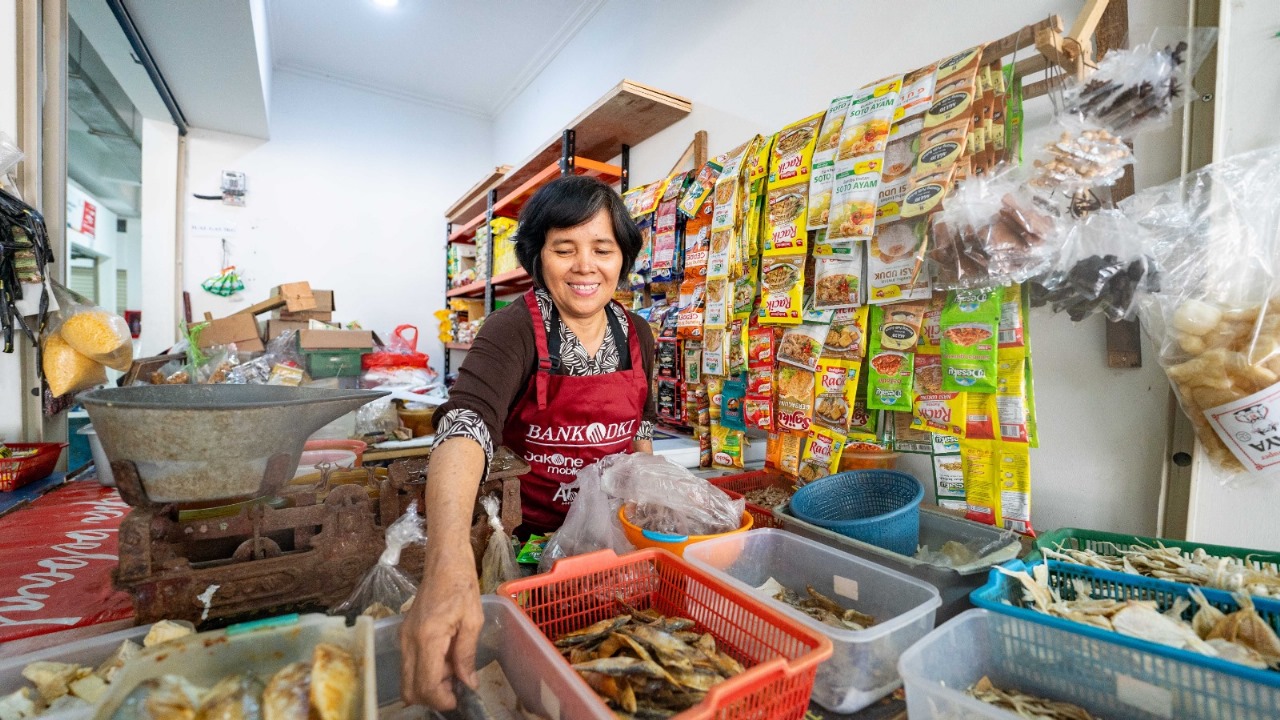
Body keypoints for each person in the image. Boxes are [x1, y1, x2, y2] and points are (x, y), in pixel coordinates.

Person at [400, 176, 657, 709]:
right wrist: (447, 564)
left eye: (603, 249)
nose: (585, 266)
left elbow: (641, 433)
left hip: (606, 546)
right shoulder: (511, 328)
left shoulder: (638, 334)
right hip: (523, 547)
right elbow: (465, 424)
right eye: (564, 248)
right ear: (538, 257)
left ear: (622, 258)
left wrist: (648, 519)